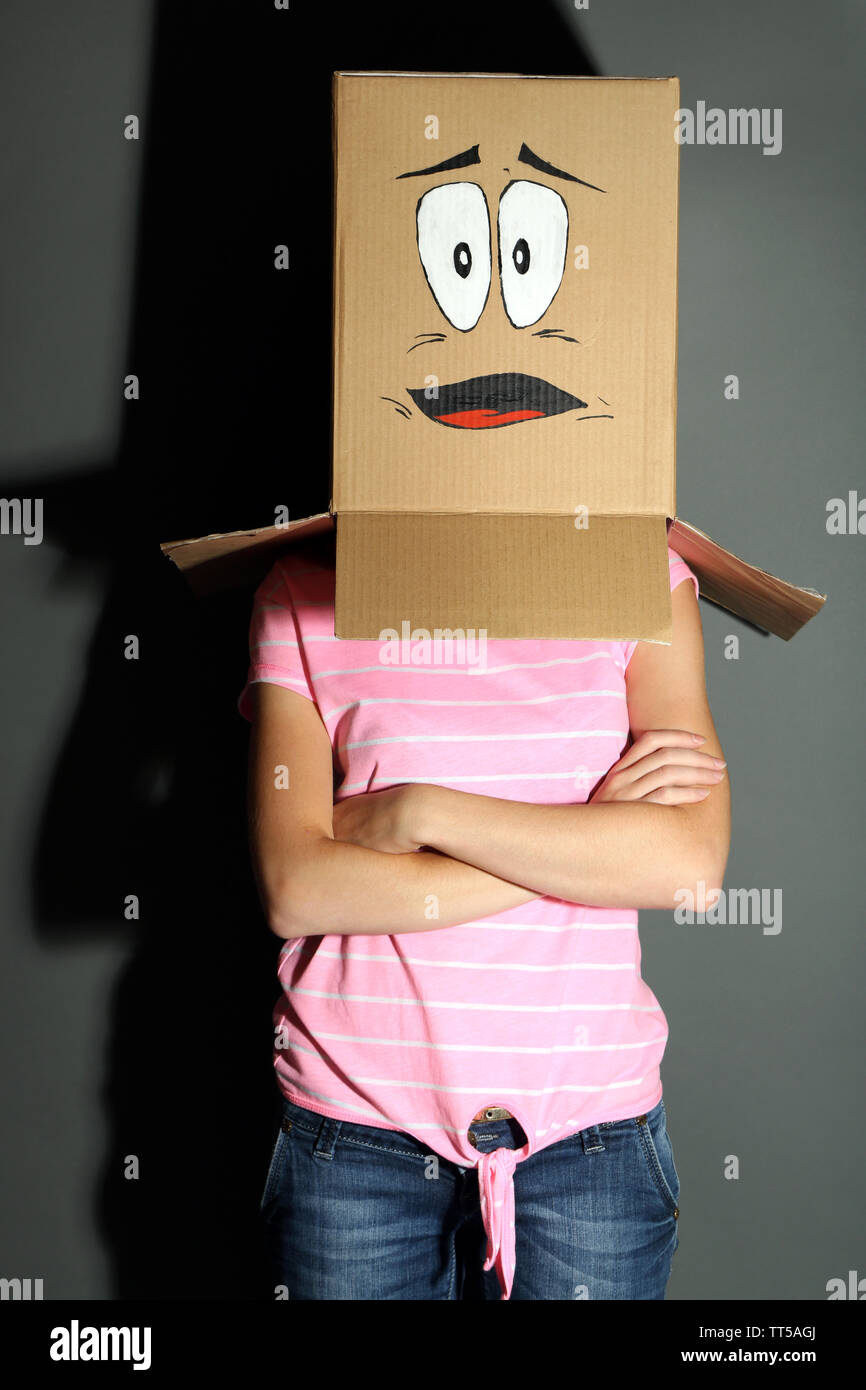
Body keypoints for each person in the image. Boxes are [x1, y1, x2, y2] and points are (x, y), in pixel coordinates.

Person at [237, 528, 730, 1300]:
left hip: (588, 1138)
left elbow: (686, 865)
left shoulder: (640, 577)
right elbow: (295, 889)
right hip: (355, 1134)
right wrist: (591, 836)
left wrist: (418, 812)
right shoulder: (300, 590)